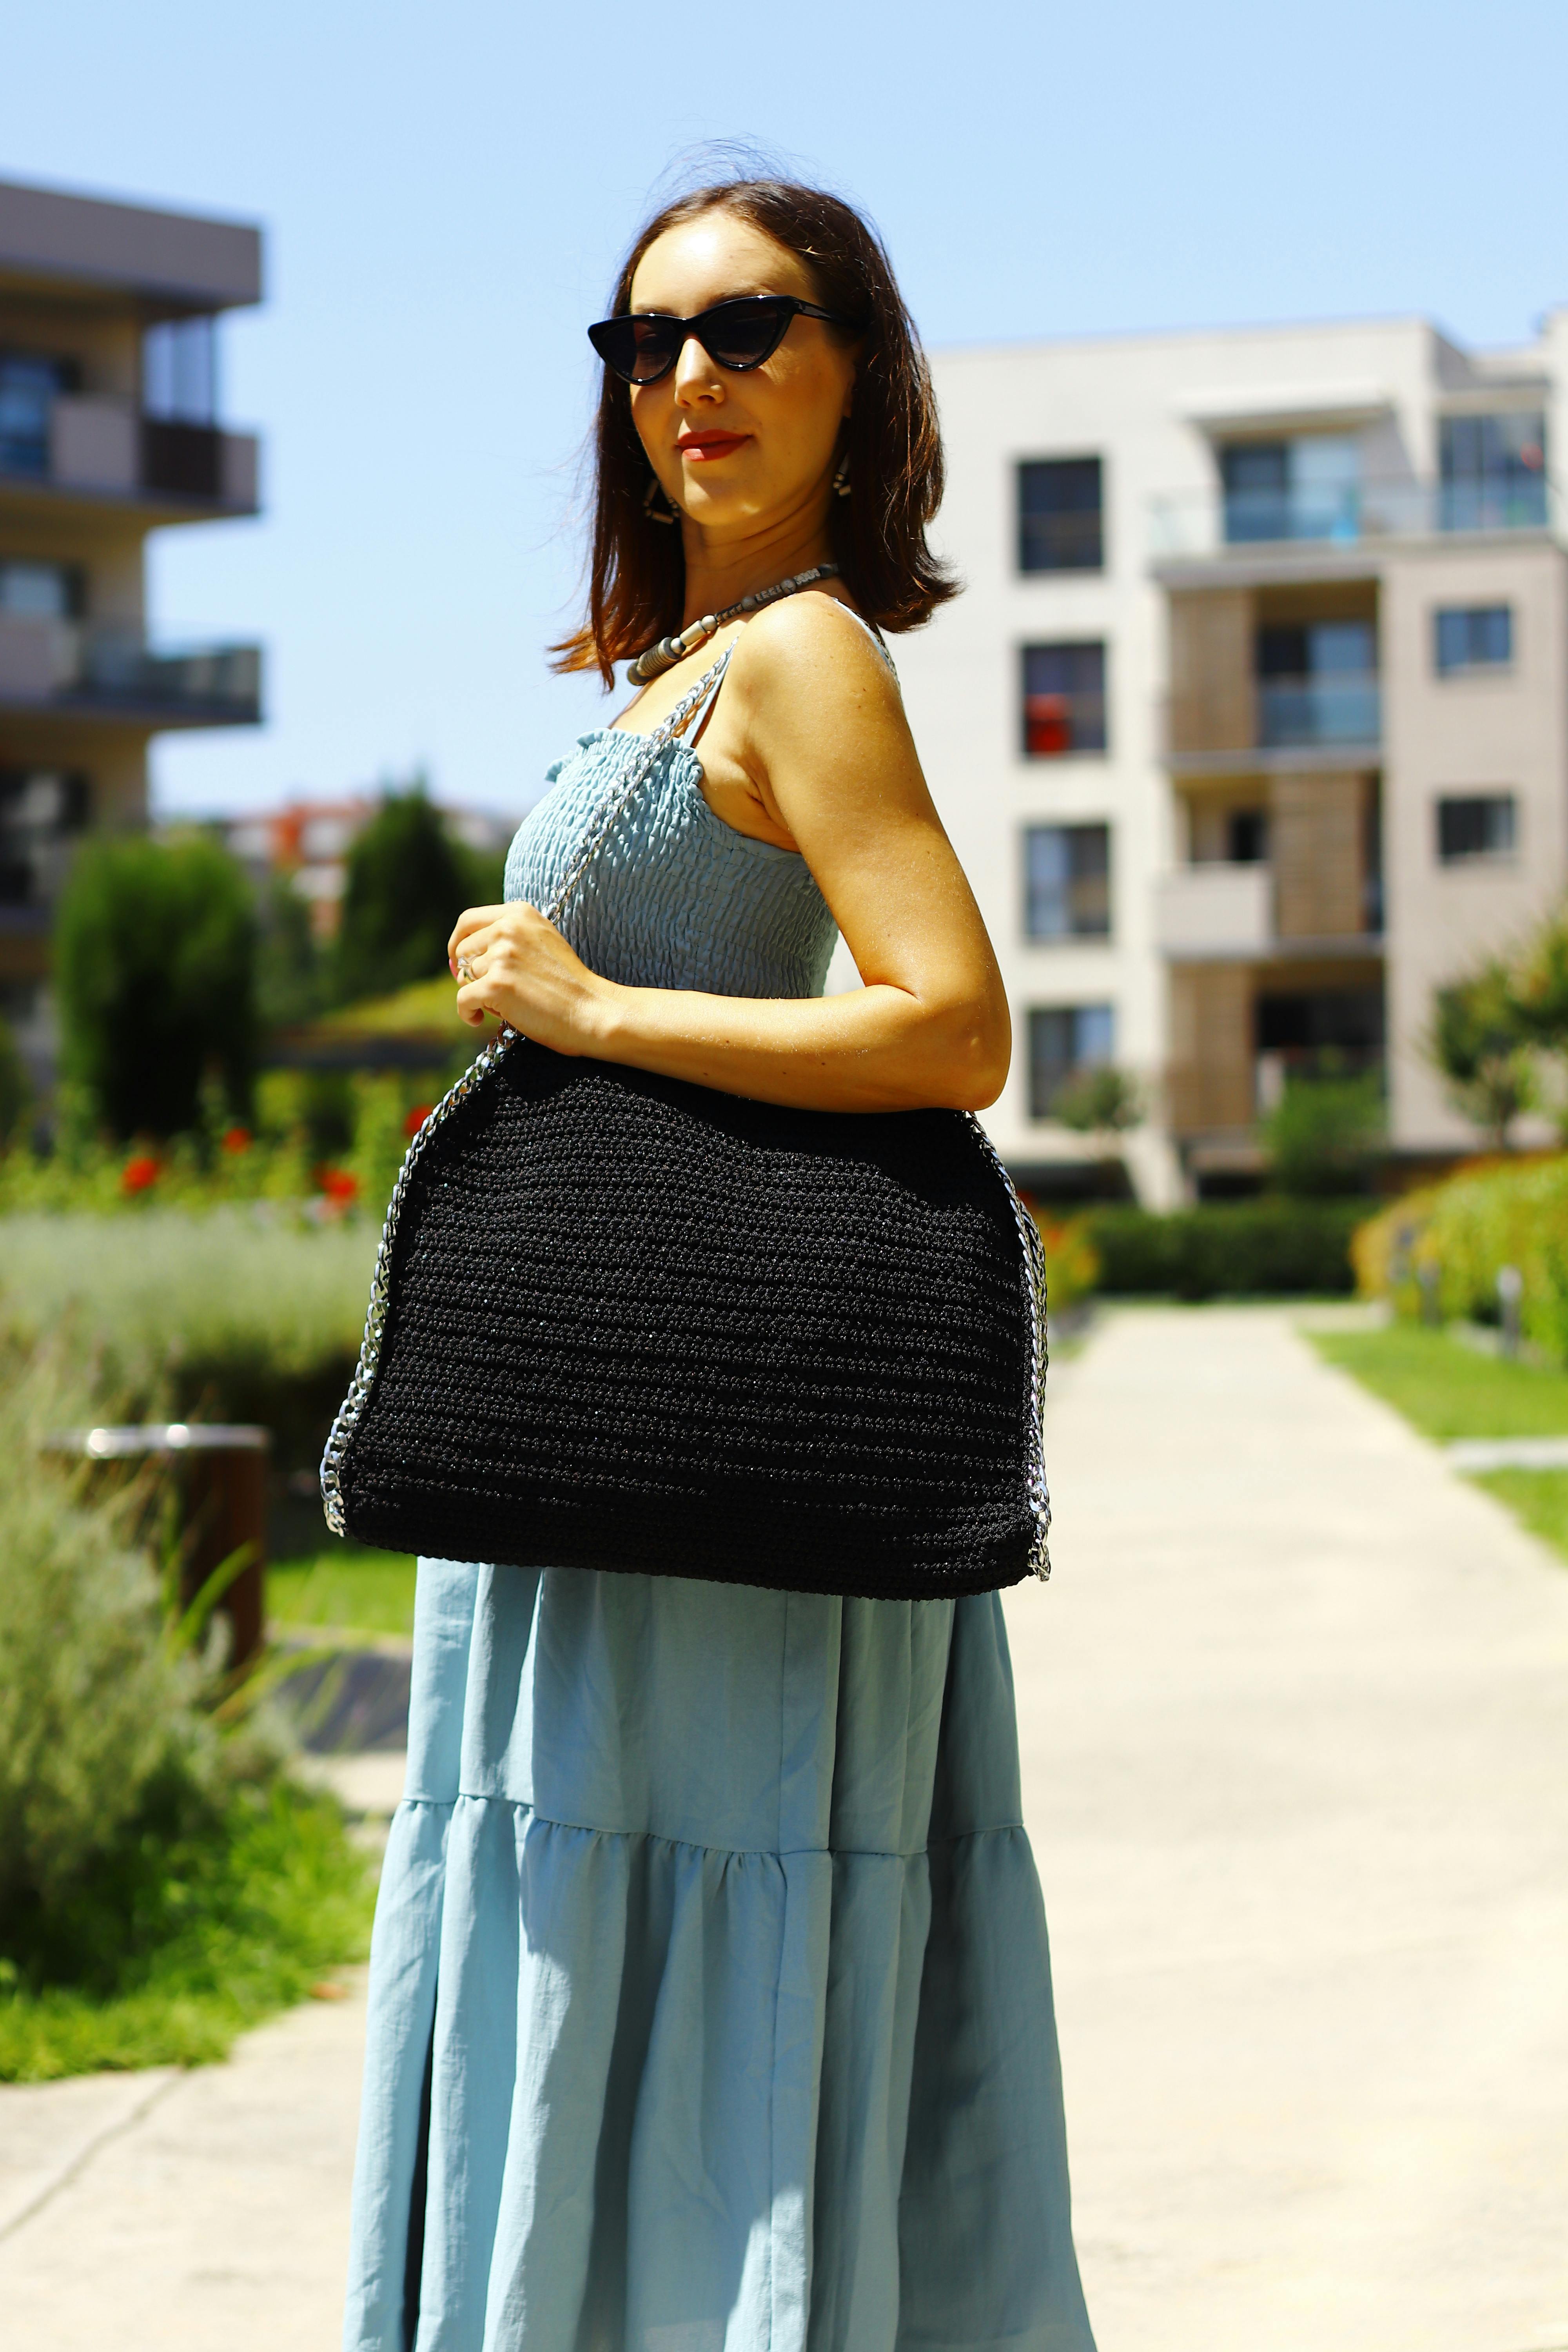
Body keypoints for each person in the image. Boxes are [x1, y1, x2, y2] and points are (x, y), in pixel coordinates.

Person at [343, 173, 1097, 2352]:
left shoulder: (805, 652)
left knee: (696, 1953)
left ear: (859, 373)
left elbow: (952, 1027)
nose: (691, 376)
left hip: (712, 1489)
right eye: (646, 341)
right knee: (595, 1930)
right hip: (608, 1465)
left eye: (750, 327)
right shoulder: (681, 667)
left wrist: (591, 1010)